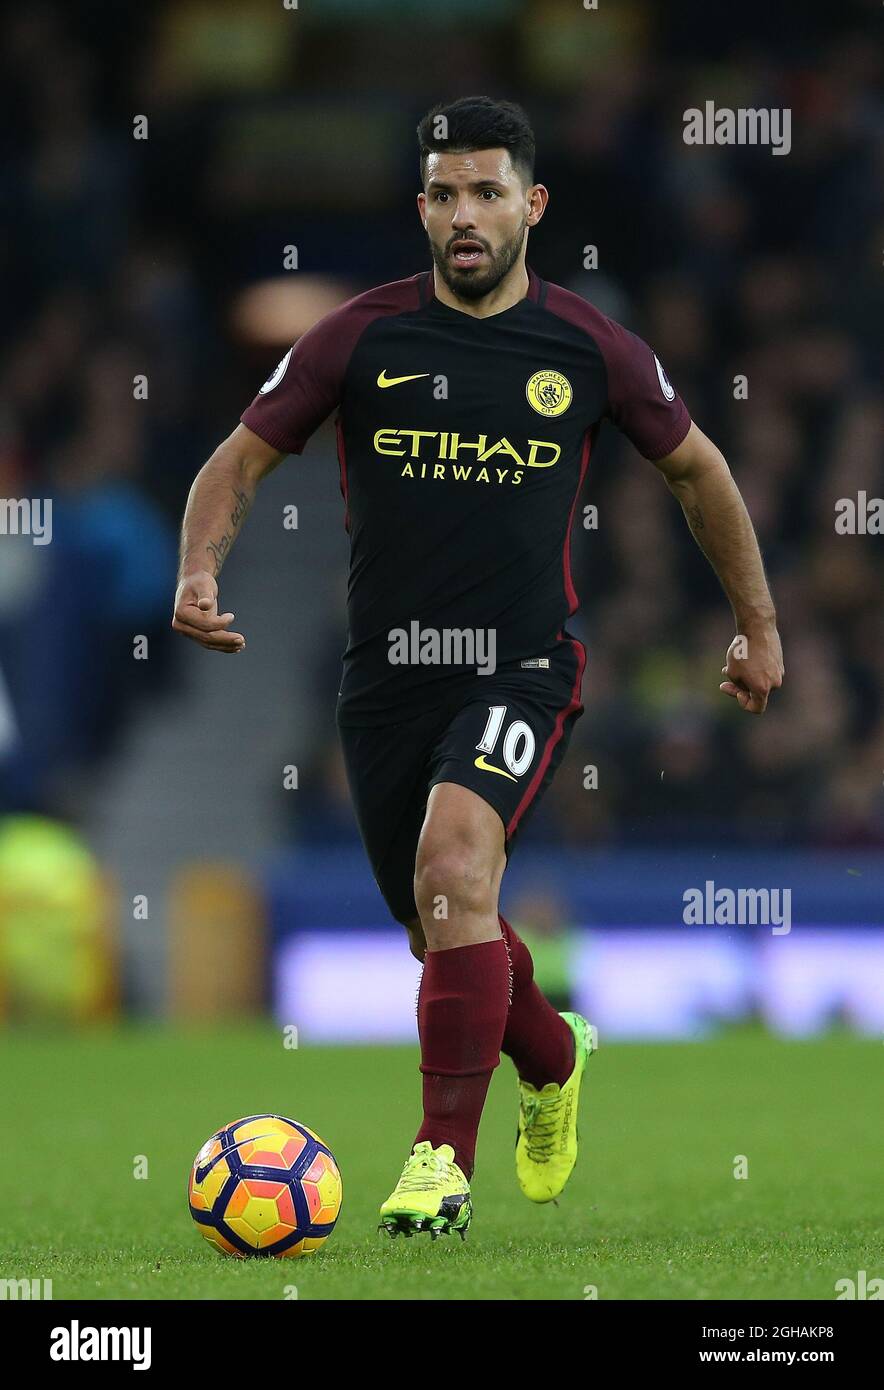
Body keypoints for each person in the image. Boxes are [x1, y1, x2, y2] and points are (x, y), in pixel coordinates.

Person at [172, 96, 784, 1240]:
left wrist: (754, 621)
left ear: (529, 205)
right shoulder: (354, 336)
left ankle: (436, 1164)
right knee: (440, 917)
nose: (465, 214)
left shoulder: (590, 347)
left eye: (487, 191)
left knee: (455, 862)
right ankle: (553, 1059)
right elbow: (239, 459)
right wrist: (200, 568)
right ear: (420, 208)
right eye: (444, 193)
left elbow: (697, 472)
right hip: (384, 680)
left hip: (521, 668)